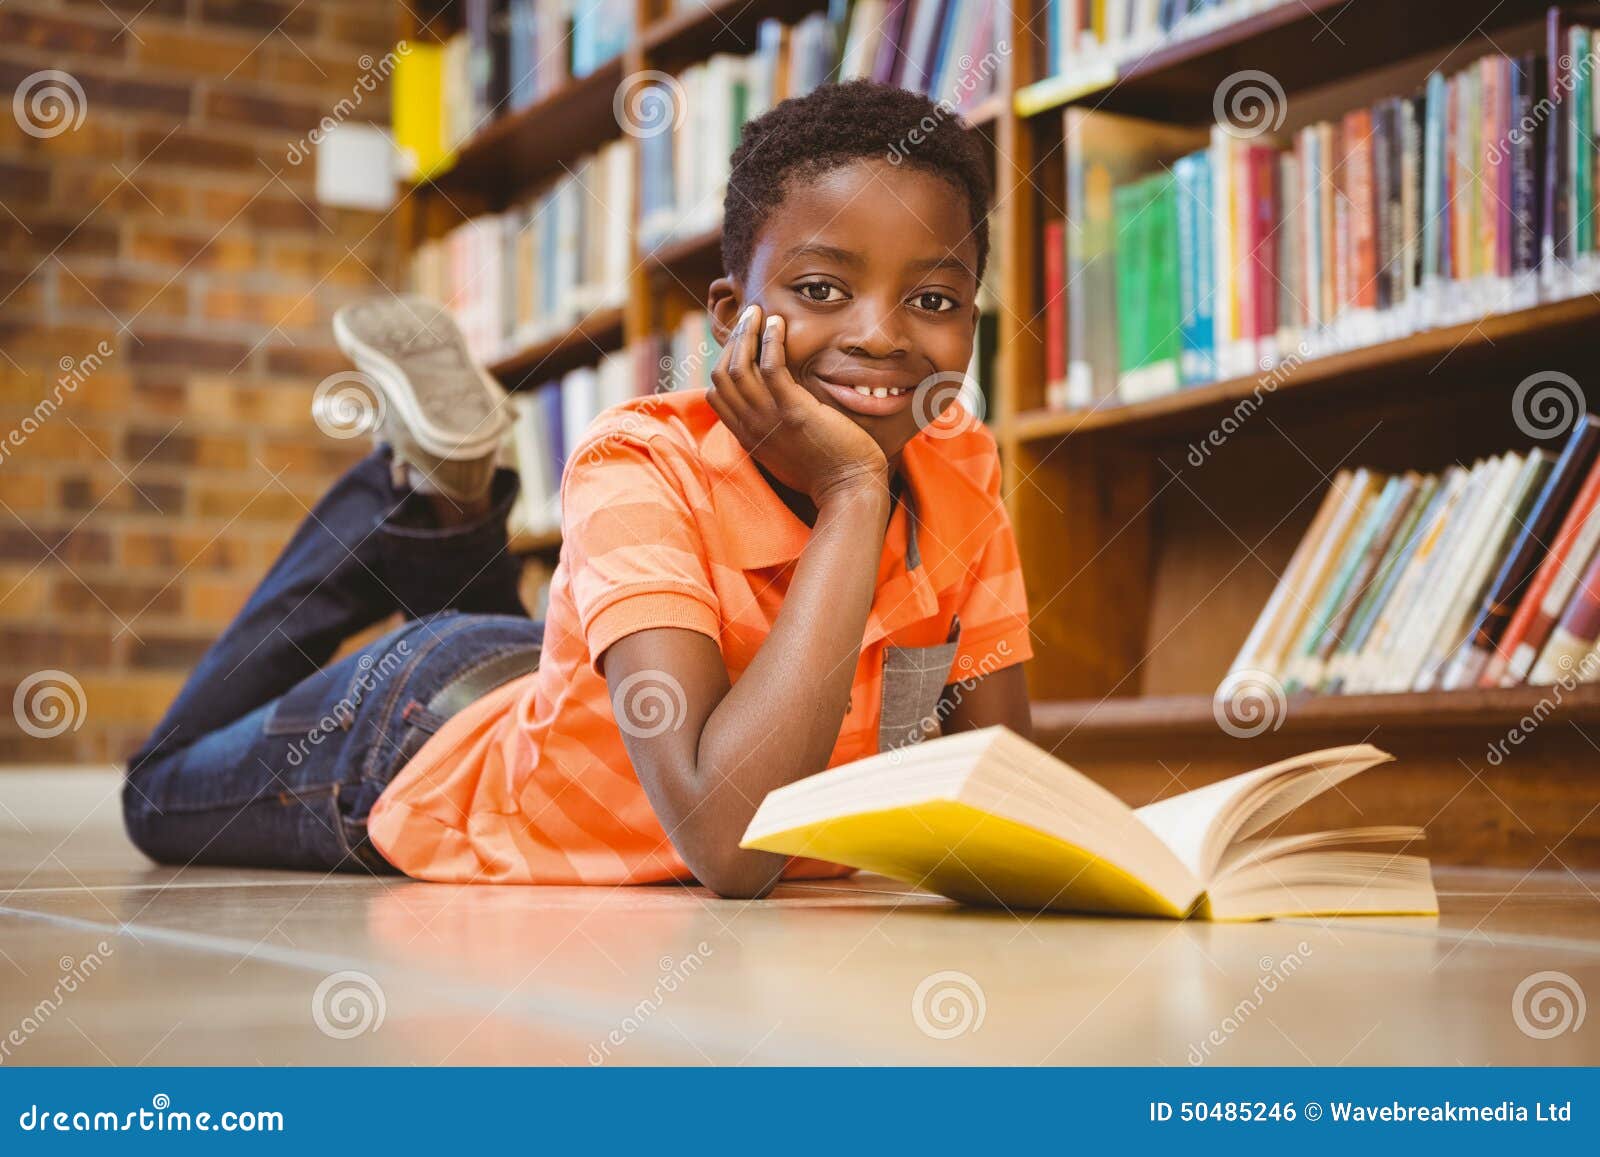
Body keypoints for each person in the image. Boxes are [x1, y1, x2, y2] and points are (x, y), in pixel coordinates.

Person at [124, 80, 1034, 897]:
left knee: (561, 679)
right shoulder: (637, 462)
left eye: (935, 300)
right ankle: (401, 498)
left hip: (568, 679)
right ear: (729, 316)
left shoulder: (960, 462)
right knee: (156, 790)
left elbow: (999, 792)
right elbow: (731, 844)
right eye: (823, 286)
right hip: (418, 739)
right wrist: (851, 495)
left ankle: (446, 502)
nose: (881, 335)